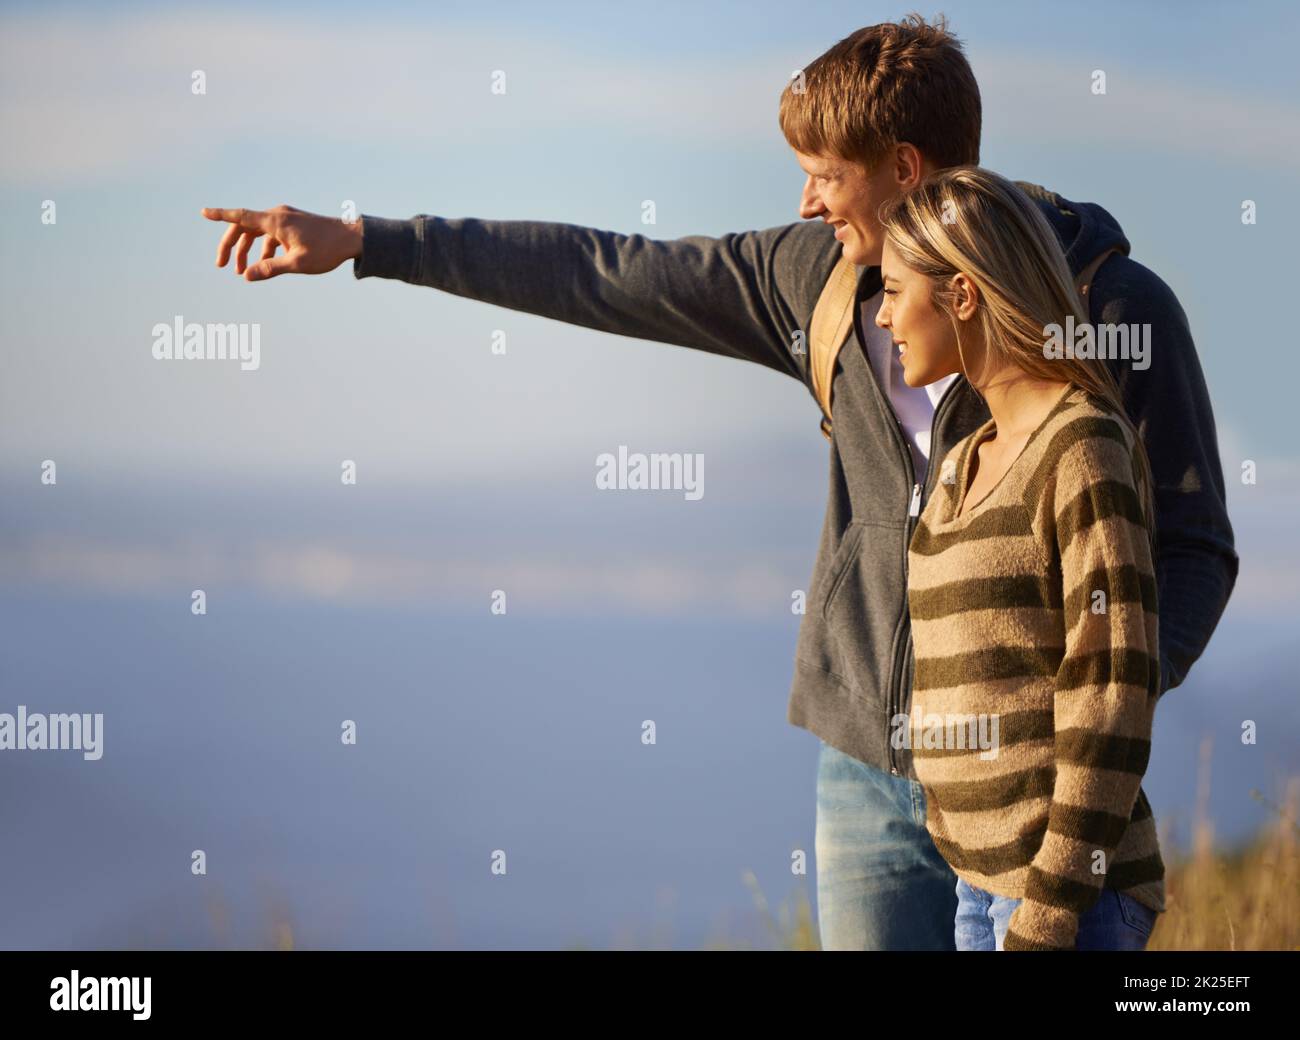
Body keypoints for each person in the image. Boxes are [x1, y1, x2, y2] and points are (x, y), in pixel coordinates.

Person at [199, 15, 1237, 950]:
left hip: (1039, 799)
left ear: (907, 170)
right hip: (865, 775)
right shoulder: (819, 283)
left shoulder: (1107, 308)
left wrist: (1086, 717)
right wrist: (371, 241)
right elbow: (606, 271)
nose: (804, 200)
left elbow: (1193, 547)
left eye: (825, 174)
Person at [878, 166, 1163, 950]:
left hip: (1066, 901)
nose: (882, 316)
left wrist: (1048, 910)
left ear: (962, 295)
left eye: (896, 291)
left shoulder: (1081, 446)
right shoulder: (963, 459)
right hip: (980, 888)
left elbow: (1111, 684)